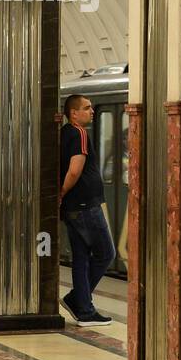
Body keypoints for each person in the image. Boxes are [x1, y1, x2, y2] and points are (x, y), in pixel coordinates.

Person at [58, 95, 115, 327]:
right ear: (74, 113)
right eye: (87, 108)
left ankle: (83, 309)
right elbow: (75, 170)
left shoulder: (63, 133)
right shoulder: (79, 133)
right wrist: (62, 192)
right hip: (85, 205)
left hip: (73, 206)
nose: (91, 112)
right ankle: (79, 301)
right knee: (106, 253)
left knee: (81, 258)